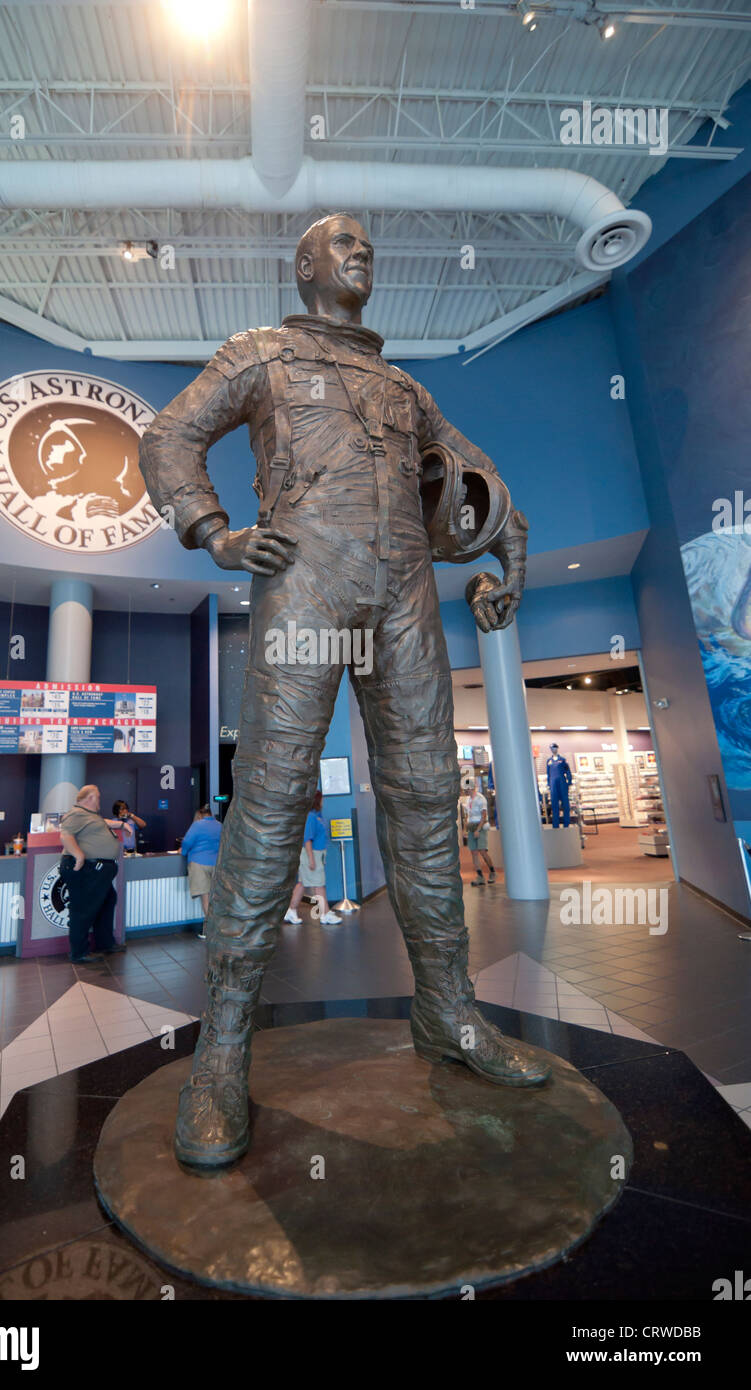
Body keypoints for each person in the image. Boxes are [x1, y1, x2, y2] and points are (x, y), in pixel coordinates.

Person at [140, 211, 549, 1169]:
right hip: (305, 583)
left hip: (404, 594)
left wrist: (510, 566)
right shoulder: (262, 355)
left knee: (424, 800)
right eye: (343, 243)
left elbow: (485, 481)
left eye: (369, 245)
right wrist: (215, 533)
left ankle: (448, 1015)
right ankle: (222, 1054)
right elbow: (167, 440)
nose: (361, 254)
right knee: (274, 797)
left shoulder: (404, 388)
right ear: (304, 264)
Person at [59, 784, 125, 964]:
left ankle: (105, 943)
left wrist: (121, 824)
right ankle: (79, 952)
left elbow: (103, 822)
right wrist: (79, 855)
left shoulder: (90, 816)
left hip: (99, 871)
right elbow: (65, 835)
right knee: (83, 910)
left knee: (107, 901)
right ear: (90, 798)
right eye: (98, 797)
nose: (100, 801)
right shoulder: (76, 813)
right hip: (87, 869)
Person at [284, 791, 342, 926]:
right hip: (311, 854)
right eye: (321, 799)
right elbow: (307, 840)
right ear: (316, 800)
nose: (323, 802)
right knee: (319, 885)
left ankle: (291, 911)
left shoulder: (318, 816)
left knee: (302, 883)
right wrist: (311, 859)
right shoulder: (310, 817)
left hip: (317, 854)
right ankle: (325, 914)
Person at [179, 806, 223, 930]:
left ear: (199, 816)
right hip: (217, 864)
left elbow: (187, 842)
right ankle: (219, 929)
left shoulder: (197, 825)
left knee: (206, 898)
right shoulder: (220, 825)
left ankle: (210, 929)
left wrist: (183, 852)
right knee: (216, 897)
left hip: (199, 863)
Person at [463, 787, 496, 886]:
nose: (466, 790)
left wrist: (478, 829)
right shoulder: (468, 799)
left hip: (480, 826)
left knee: (482, 850)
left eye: (467, 788)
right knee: (473, 852)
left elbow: (484, 815)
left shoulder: (481, 798)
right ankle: (480, 876)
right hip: (471, 826)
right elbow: (467, 815)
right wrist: (466, 829)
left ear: (472, 788)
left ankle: (492, 872)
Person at [547, 742, 573, 828]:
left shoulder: (563, 760)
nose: (553, 749)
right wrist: (548, 784)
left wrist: (569, 781)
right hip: (553, 785)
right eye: (552, 748)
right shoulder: (549, 761)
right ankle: (555, 825)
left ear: (557, 748)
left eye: (555, 748)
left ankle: (566, 824)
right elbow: (548, 774)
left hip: (562, 784)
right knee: (555, 805)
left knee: (565, 804)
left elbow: (567, 771)